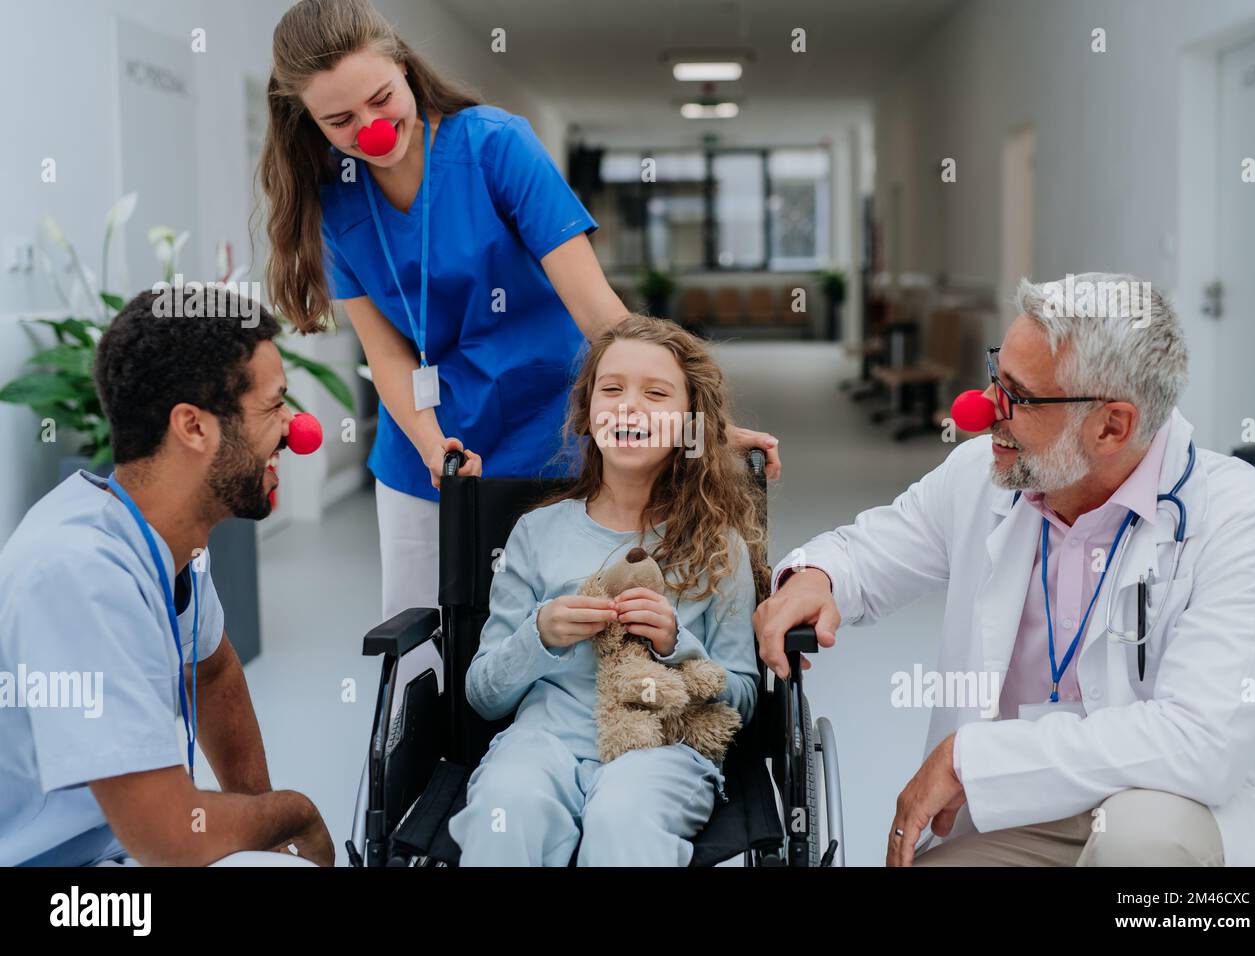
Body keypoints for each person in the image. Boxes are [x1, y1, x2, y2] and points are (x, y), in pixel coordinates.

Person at [259, 0, 780, 624]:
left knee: (563, 637)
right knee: (432, 646)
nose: (370, 128)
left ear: (402, 66)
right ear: (309, 122)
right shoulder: (333, 202)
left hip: (549, 432)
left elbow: (598, 313)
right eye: (339, 119)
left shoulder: (494, 147)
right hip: (427, 450)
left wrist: (699, 419)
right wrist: (433, 448)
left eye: (380, 98)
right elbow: (387, 353)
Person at [754, 273, 1255, 866]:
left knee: (1141, 839)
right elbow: (866, 552)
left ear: (1112, 425)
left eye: (1018, 395)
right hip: (1018, 810)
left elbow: (1200, 744)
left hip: (1176, 811)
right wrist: (816, 577)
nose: (982, 409)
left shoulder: (1238, 517)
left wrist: (972, 759)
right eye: (996, 375)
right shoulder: (981, 476)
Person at [0, 286, 333, 867]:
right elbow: (171, 837)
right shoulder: (76, 572)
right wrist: (293, 812)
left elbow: (213, 669)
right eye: (275, 404)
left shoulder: (163, 540)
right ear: (194, 427)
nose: (295, 430)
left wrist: (271, 838)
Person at [447, 316, 763, 865]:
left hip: (664, 750)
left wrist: (677, 645)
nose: (628, 406)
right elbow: (482, 694)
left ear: (691, 420)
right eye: (611, 389)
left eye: (656, 393)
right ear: (587, 412)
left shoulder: (720, 547)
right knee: (506, 809)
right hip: (541, 741)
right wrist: (539, 634)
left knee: (621, 818)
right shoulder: (536, 533)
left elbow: (744, 700)